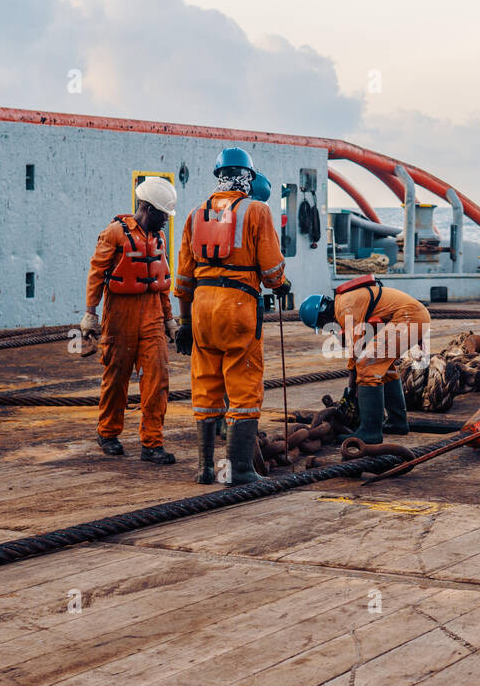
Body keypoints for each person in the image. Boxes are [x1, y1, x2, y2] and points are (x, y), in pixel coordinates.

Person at [172, 147, 291, 485]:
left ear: (218, 177)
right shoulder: (257, 210)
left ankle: (206, 468)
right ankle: (239, 469)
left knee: (206, 384)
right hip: (237, 307)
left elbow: (182, 280)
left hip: (201, 309)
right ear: (248, 178)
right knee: (243, 383)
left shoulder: (195, 214)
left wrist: (184, 323)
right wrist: (281, 285)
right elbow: (271, 269)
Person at [80, 176, 181, 464]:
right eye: (163, 214)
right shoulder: (114, 234)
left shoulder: (158, 238)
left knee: (157, 379)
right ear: (148, 209)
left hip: (152, 316)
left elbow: (160, 280)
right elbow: (96, 273)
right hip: (119, 316)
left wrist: (169, 319)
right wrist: (90, 314)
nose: (166, 221)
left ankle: (152, 443)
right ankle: (108, 433)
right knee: (116, 378)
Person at [298, 276, 430, 444]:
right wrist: (351, 388)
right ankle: (397, 422)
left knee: (368, 365)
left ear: (323, 317)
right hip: (414, 316)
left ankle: (370, 432)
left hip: (408, 317)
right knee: (384, 369)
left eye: (323, 325)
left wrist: (351, 389)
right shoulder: (344, 304)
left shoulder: (345, 308)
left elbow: (356, 352)